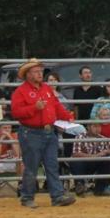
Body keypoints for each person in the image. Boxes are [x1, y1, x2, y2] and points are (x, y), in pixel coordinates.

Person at [9, 58, 76, 208]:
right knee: (31, 166)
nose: (40, 74)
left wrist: (67, 116)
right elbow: (16, 112)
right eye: (36, 71)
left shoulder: (46, 89)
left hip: (48, 131)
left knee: (51, 165)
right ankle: (28, 197)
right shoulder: (20, 92)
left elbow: (56, 106)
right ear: (28, 74)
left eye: (40, 71)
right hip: (31, 132)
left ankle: (56, 196)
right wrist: (34, 108)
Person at [70, 120, 110, 196]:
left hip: (96, 163)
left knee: (106, 160)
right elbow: (76, 153)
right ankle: (80, 185)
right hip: (84, 163)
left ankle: (101, 189)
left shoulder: (103, 138)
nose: (97, 129)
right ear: (88, 127)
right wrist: (94, 156)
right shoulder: (80, 136)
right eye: (94, 126)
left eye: (99, 126)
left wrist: (106, 151)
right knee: (76, 161)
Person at [0, 122, 23, 197]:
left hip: (13, 163)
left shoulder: (15, 136)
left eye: (9, 128)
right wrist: (1, 139)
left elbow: (18, 154)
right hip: (0, 163)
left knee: (21, 160)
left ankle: (21, 187)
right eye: (5, 128)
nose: (7, 130)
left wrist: (10, 138)